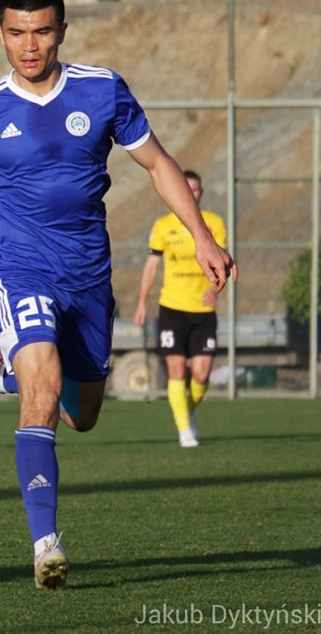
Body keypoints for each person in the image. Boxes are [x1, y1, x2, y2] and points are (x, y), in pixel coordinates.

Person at [0, 0, 236, 590]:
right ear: (0, 33)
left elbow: (156, 163)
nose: (30, 45)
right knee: (43, 391)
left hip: (89, 277)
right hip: (20, 267)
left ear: (62, 31)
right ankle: (46, 543)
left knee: (83, 414)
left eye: (42, 31)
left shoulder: (103, 90)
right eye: (17, 32)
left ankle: (1, 371)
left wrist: (203, 236)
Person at [133, 170, 226, 448]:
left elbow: (221, 258)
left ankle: (188, 412)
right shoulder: (163, 226)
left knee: (201, 374)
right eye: (187, 188)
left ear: (202, 192)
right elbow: (151, 267)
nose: (192, 193)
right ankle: (185, 429)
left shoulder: (214, 223)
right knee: (175, 369)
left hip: (203, 309)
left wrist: (217, 288)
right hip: (171, 307)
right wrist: (141, 302)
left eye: (196, 189)